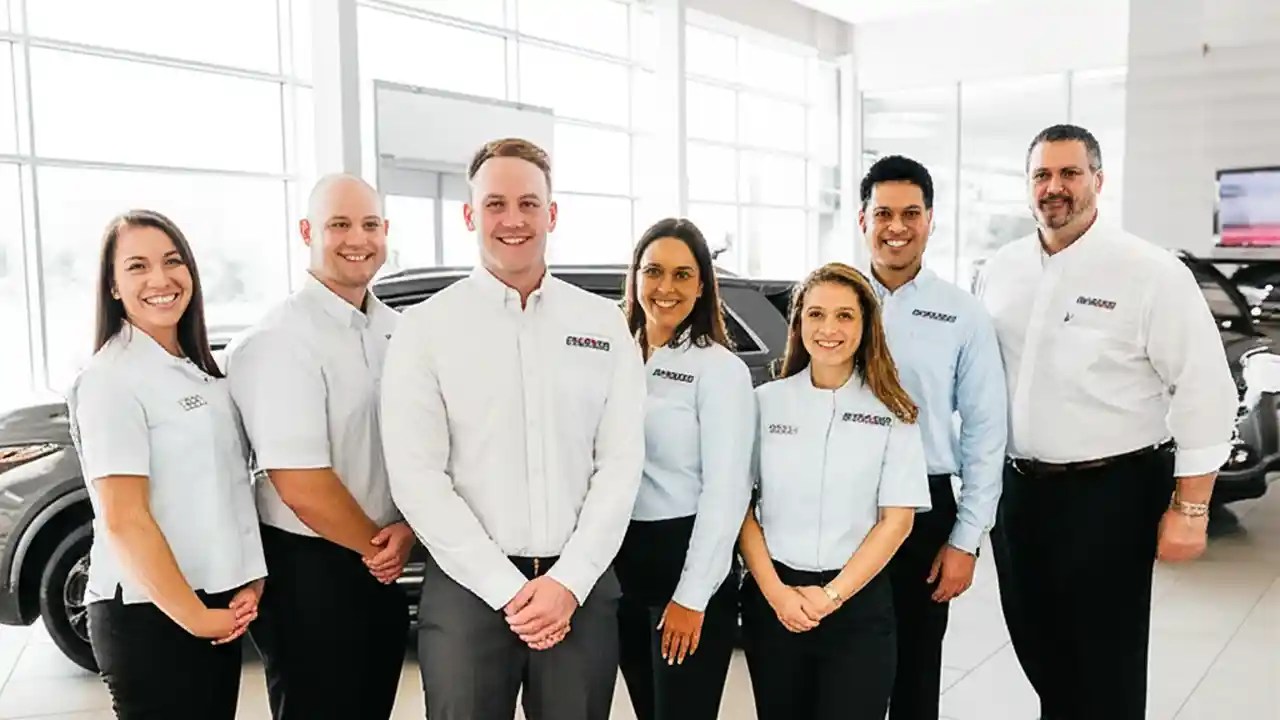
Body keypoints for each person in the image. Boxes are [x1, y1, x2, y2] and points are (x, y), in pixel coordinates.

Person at [975, 124, 1238, 720]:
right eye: (1042, 175)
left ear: (1098, 179)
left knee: (1105, 665)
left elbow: (1203, 388)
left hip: (1110, 495)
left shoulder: (1149, 272)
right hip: (1017, 497)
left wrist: (1191, 509)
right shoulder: (1002, 269)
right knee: (1040, 650)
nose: (1055, 188)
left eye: (1070, 173)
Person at [380, 137, 646, 720]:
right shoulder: (426, 328)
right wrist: (506, 588)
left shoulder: (602, 324)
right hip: (468, 592)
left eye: (529, 203)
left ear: (551, 214)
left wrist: (568, 582)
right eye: (495, 203)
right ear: (471, 215)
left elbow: (621, 465)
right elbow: (417, 477)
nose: (513, 219)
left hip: (580, 588)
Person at [66, 210, 266, 719]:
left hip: (210, 603)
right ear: (112, 287)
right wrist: (196, 617)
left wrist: (247, 578)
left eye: (172, 261)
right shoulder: (111, 379)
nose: (161, 279)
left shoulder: (198, 373)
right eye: (137, 267)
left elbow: (225, 487)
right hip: (150, 617)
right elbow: (123, 518)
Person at [225, 174, 412, 720]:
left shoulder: (396, 331)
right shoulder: (278, 340)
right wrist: (381, 550)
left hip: (380, 562)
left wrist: (406, 532)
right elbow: (301, 484)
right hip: (310, 573)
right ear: (308, 231)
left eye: (370, 224)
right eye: (340, 224)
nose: (358, 238)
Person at [739, 262, 932, 720]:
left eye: (845, 316)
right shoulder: (765, 403)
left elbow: (897, 521)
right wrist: (777, 593)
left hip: (857, 607)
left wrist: (831, 597)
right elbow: (740, 508)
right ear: (799, 321)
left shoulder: (893, 412)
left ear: (867, 326)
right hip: (774, 601)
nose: (829, 328)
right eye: (816, 314)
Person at [858, 155, 1007, 720]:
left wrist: (966, 539)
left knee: (916, 669)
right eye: (884, 213)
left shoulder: (962, 313)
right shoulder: (832, 300)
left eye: (911, 213)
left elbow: (986, 430)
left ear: (930, 220)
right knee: (844, 662)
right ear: (862, 218)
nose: (897, 226)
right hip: (838, 504)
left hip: (924, 504)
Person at [615, 218, 756, 720]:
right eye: (653, 271)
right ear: (634, 277)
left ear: (701, 286)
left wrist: (693, 597)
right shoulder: (613, 353)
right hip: (620, 566)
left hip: (687, 561)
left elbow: (727, 491)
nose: (666, 288)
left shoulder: (719, 370)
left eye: (682, 274)